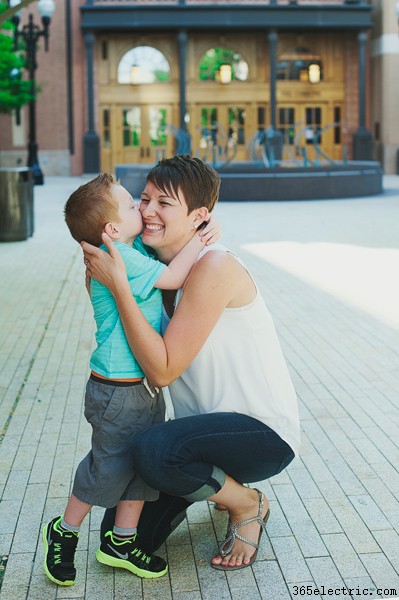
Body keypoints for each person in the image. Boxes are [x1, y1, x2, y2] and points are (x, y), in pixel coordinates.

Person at [82, 155, 301, 572]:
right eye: (143, 200)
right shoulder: (153, 268)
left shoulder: (213, 266)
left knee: (154, 451)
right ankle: (215, 482)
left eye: (164, 204)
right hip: (197, 435)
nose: (147, 212)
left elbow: (162, 371)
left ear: (199, 216)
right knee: (123, 536)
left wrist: (120, 290)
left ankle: (246, 503)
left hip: (260, 432)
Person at [42, 173, 218, 587]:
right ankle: (63, 531)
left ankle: (121, 542)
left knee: (139, 467)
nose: (141, 207)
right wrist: (202, 234)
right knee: (108, 467)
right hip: (116, 389)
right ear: (112, 229)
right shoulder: (119, 254)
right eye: (130, 204)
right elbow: (173, 277)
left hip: (141, 386)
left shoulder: (127, 246)